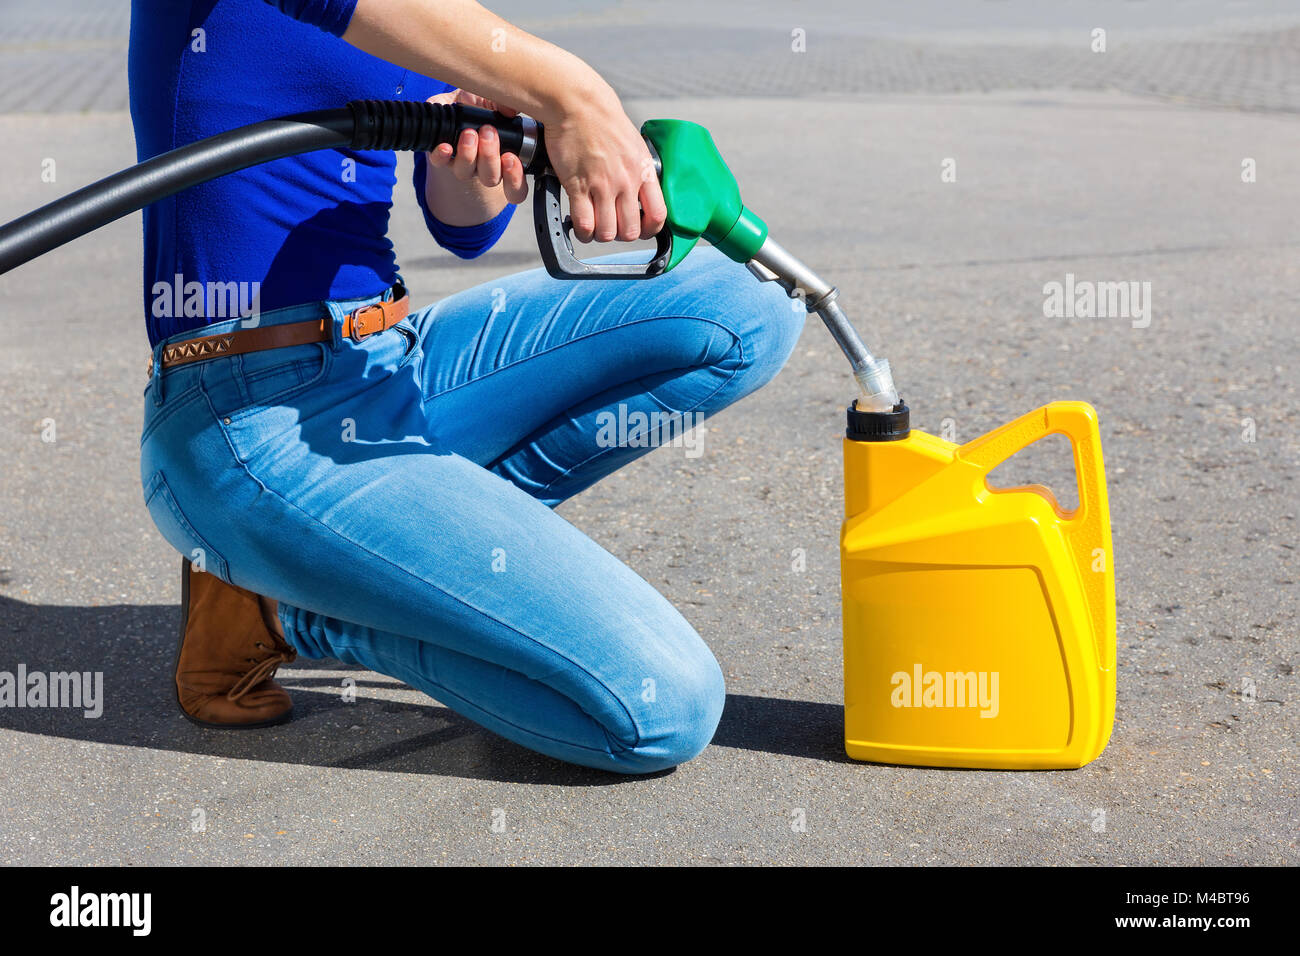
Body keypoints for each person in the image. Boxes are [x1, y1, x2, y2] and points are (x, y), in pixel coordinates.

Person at [132, 0, 801, 773]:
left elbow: (463, 228)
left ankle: (382, 557)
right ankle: (291, 612)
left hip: (389, 358)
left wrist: (473, 164)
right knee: (661, 708)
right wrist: (576, 95)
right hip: (250, 413)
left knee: (745, 300)